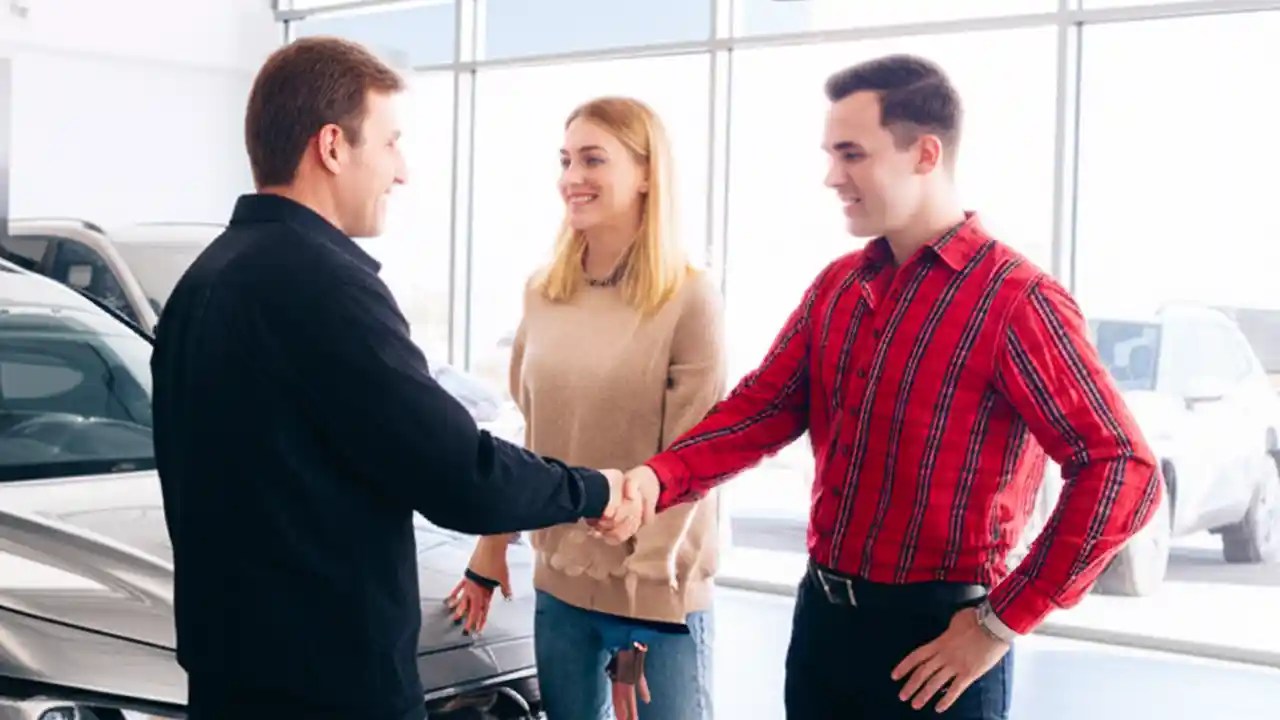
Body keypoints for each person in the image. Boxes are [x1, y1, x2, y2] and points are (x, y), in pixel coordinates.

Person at [613, 54, 1163, 719]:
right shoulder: (838, 287)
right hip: (824, 623)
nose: (831, 177)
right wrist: (656, 480)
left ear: (925, 154)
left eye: (852, 155)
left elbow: (1122, 468)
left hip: (939, 640)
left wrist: (1000, 624)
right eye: (830, 154)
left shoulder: (1016, 301)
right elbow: (760, 412)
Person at [150, 38, 641, 720]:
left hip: (231, 680)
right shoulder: (323, 285)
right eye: (390, 143)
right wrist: (592, 488)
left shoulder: (202, 284)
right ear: (331, 146)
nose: (401, 171)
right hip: (329, 693)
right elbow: (456, 472)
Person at [444, 96, 726, 720]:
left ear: (648, 173)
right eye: (566, 159)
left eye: (593, 159)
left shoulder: (691, 298)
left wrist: (636, 608)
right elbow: (532, 438)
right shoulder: (544, 293)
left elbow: (696, 456)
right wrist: (493, 548)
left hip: (656, 603)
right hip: (560, 593)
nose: (572, 178)